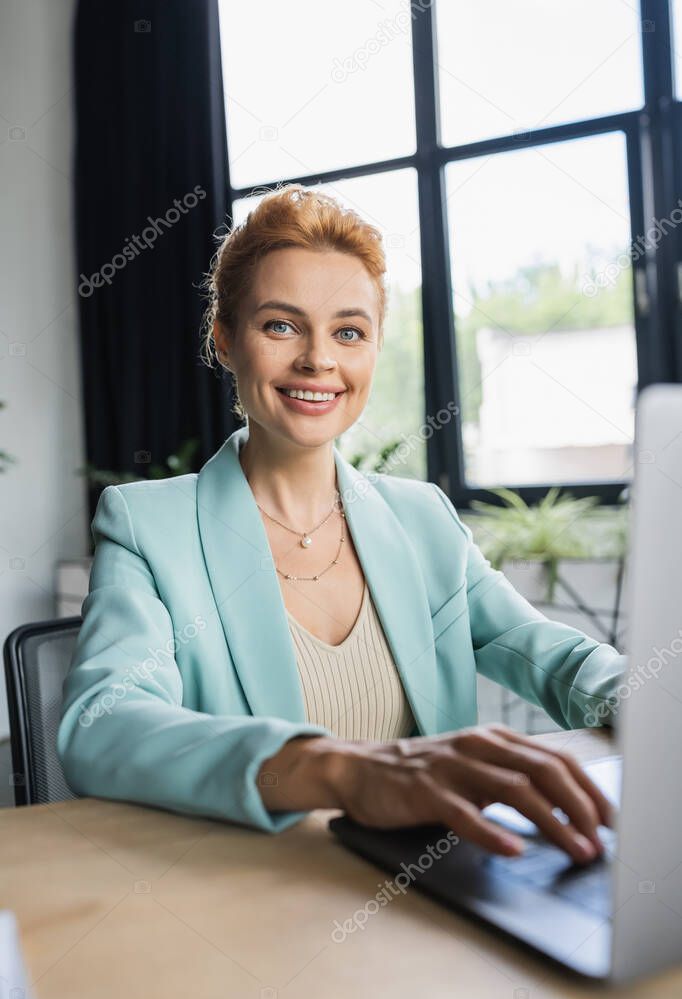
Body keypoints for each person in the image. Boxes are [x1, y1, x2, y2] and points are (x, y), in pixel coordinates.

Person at [58, 184, 625, 865]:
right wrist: (342, 771)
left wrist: (642, 698)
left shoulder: (422, 520)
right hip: (255, 897)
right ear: (226, 339)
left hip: (435, 890)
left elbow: (548, 652)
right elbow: (104, 725)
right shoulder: (149, 526)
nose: (318, 359)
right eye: (280, 325)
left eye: (348, 331)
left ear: (374, 348)